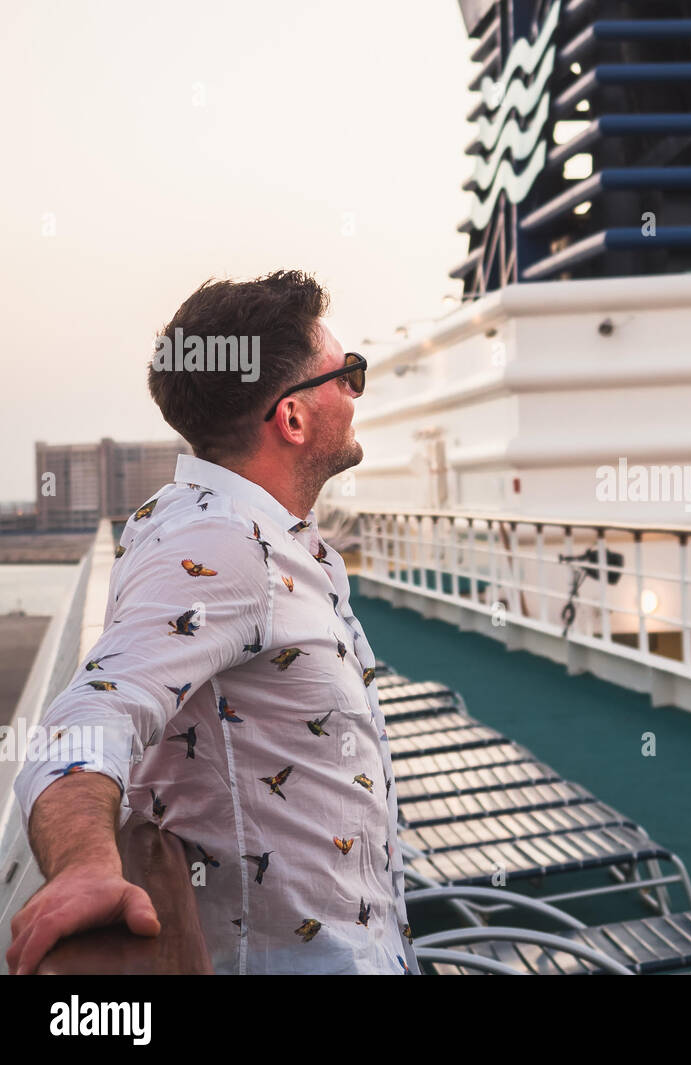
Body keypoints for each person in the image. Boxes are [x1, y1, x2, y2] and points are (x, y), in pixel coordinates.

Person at [6, 270, 417, 975]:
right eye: (346, 374)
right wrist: (83, 867)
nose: (356, 391)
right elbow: (84, 719)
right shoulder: (225, 547)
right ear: (291, 419)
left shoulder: (236, 528)